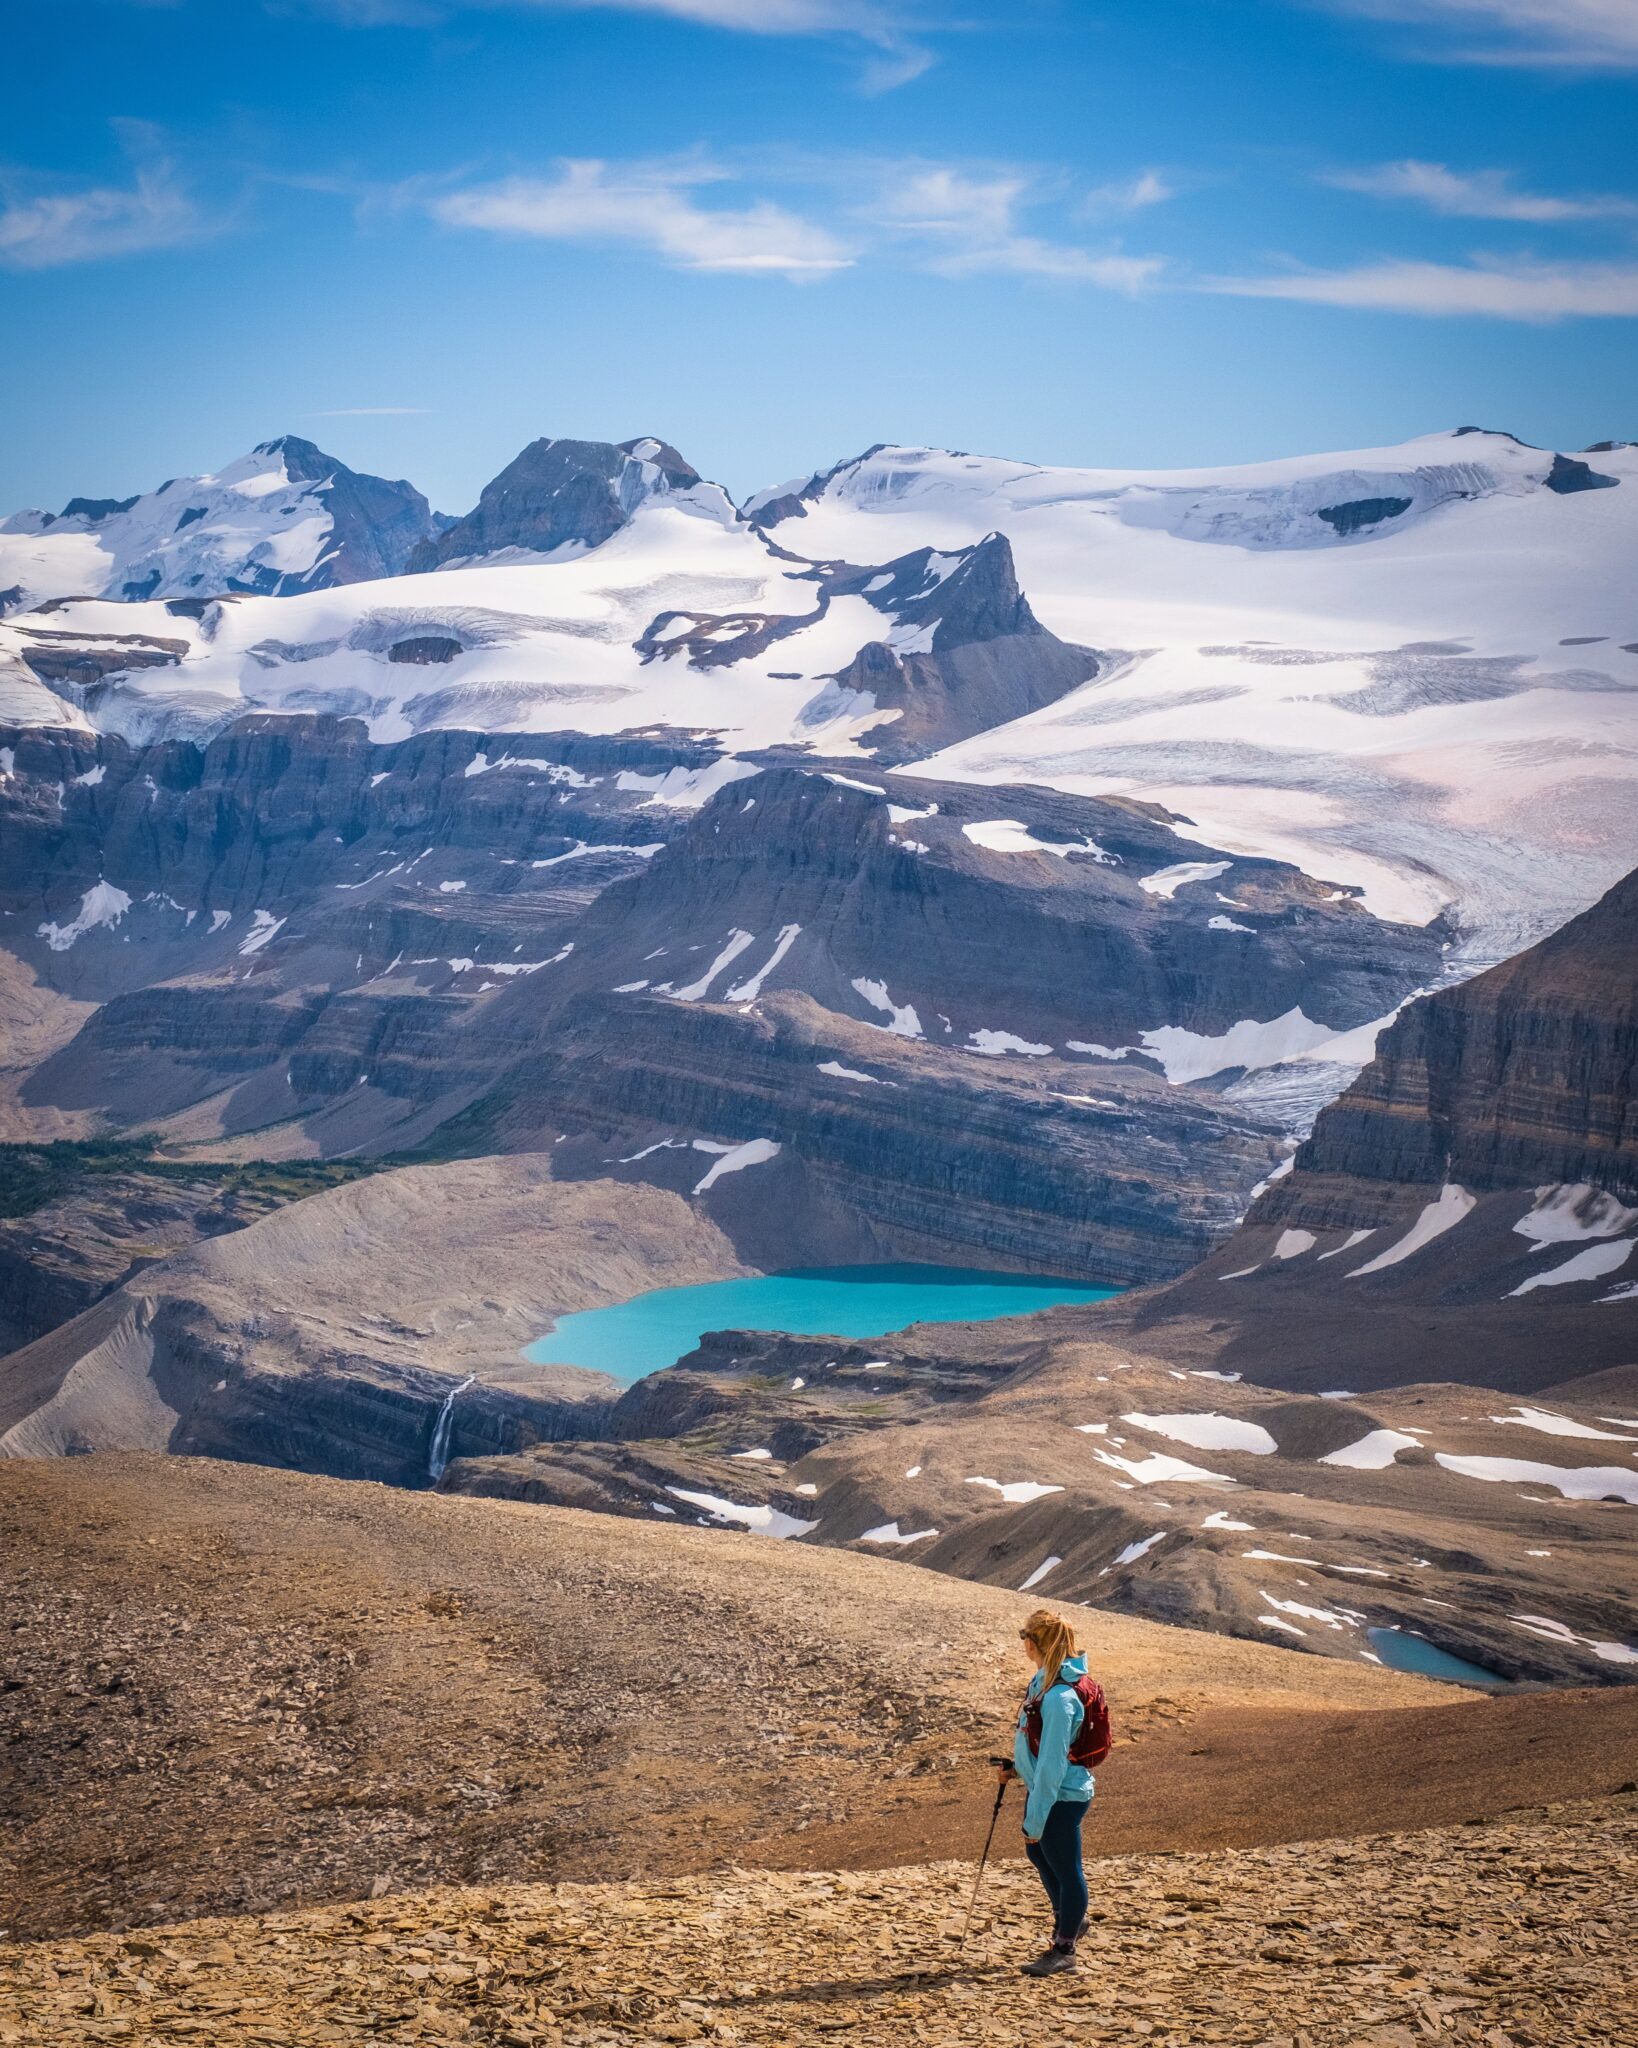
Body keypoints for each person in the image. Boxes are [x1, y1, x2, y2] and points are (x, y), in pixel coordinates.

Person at [1001, 1606, 1095, 1977]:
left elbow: (1054, 1766)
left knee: (1066, 1867)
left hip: (1061, 1795)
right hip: (1048, 1789)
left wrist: (1036, 1818)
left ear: (1036, 1643)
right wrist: (1017, 1769)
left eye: (1025, 1636)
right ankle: (1069, 1920)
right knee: (1041, 1857)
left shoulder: (1059, 1698)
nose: (1022, 1642)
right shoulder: (1044, 1681)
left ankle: (1064, 1947)